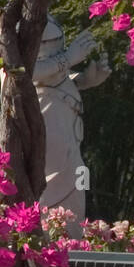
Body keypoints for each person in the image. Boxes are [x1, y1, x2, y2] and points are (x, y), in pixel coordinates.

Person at [33, 14, 110, 220]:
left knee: (76, 184)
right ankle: (50, 247)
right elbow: (22, 71)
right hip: (46, 119)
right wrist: (68, 58)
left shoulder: (43, 11)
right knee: (52, 190)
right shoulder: (16, 17)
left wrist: (84, 80)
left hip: (67, 124)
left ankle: (73, 245)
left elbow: (54, 77)